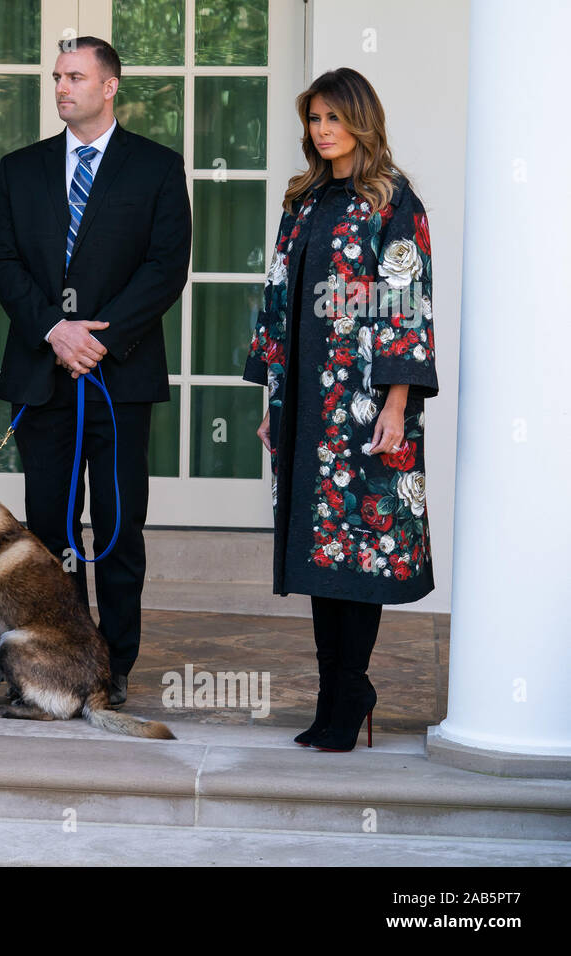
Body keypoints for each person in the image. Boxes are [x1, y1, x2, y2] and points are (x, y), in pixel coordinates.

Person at [0, 36, 191, 705]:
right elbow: (3, 261)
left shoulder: (157, 168)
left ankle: (114, 666)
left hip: (119, 378)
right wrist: (54, 328)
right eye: (56, 77)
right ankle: (54, 661)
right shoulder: (21, 169)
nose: (62, 87)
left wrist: (100, 339)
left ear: (110, 87)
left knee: (120, 527)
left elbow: (167, 266)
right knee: (47, 535)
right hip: (45, 377)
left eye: (75, 76)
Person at [243, 67, 438, 752]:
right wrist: (272, 395)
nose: (321, 132)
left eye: (332, 119)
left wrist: (397, 401)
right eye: (314, 121)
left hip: (369, 407)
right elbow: (276, 299)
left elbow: (406, 305)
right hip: (305, 406)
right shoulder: (303, 200)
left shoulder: (392, 201)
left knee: (360, 549)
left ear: (360, 120)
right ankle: (337, 694)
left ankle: (349, 689)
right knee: (321, 553)